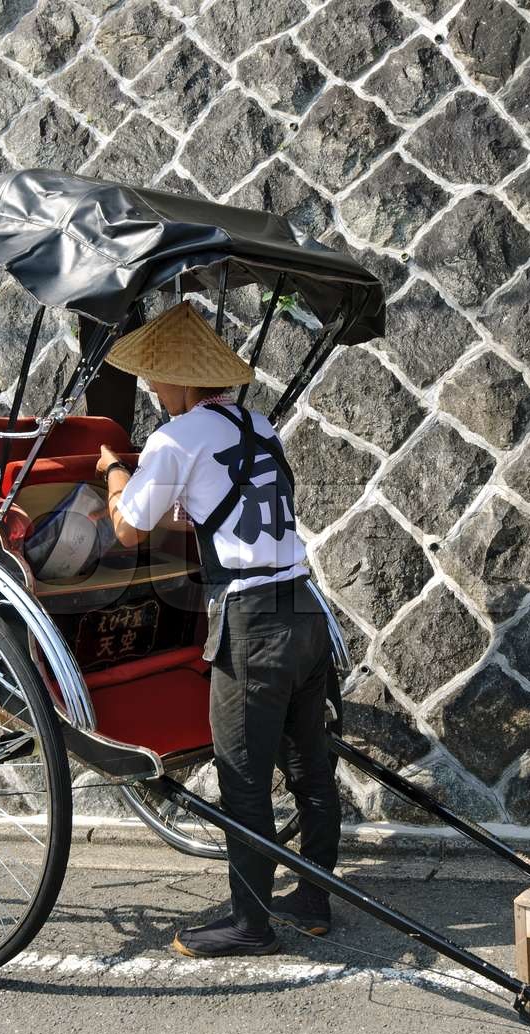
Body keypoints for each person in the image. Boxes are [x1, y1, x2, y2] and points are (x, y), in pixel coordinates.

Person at [94, 300, 339, 957]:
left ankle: (250, 923)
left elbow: (127, 528)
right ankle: (314, 900)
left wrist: (116, 472)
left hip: (254, 624)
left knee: (243, 774)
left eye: (153, 380)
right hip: (305, 608)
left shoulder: (175, 439)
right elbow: (210, 513)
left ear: (178, 380)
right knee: (310, 764)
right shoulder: (260, 426)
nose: (150, 390)